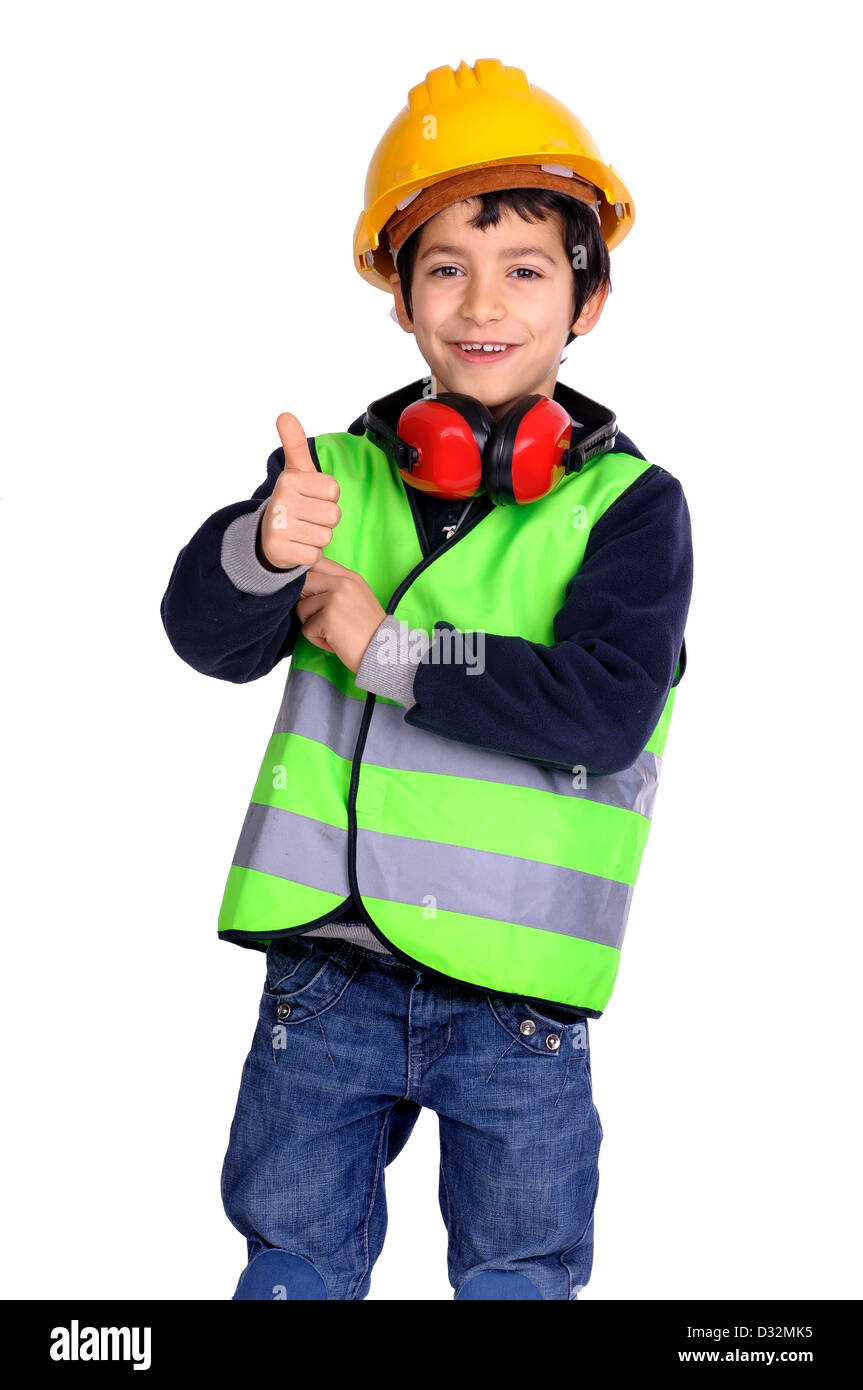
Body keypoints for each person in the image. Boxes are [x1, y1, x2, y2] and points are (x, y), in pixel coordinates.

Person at [161, 58, 694, 1300]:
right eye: (444, 265)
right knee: (287, 1270)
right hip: (323, 979)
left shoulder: (628, 509)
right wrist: (262, 547)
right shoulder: (332, 477)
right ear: (399, 296)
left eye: (523, 269)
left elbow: (604, 704)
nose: (480, 302)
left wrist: (386, 652)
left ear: (587, 298)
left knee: (516, 1279)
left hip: (515, 1012)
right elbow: (205, 634)